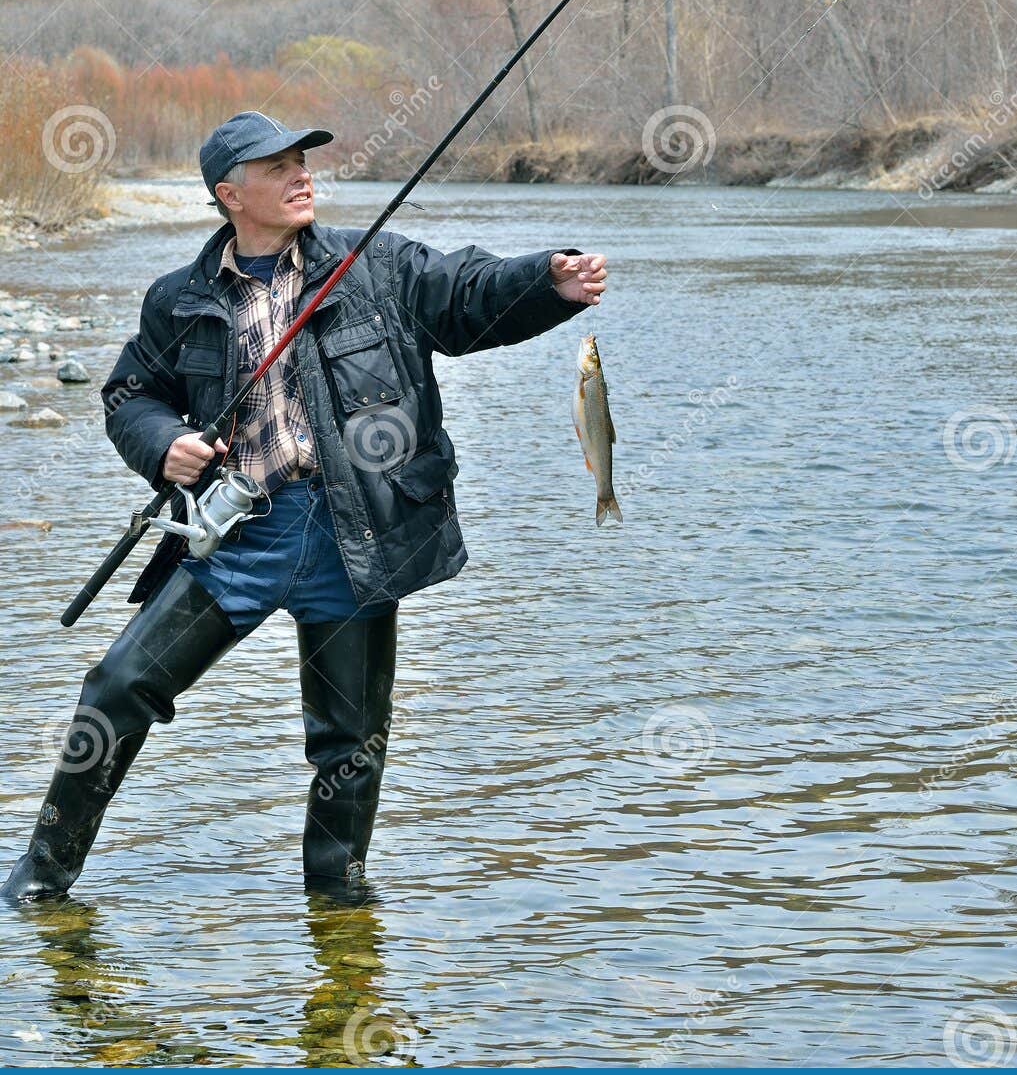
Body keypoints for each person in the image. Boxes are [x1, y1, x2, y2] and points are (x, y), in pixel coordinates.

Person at [3, 110, 606, 902]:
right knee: (117, 689)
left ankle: (339, 905)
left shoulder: (374, 264)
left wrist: (545, 280)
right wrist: (164, 445)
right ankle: (39, 887)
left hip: (353, 531)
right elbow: (129, 395)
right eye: (276, 166)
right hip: (238, 538)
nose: (300, 175)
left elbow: (465, 293)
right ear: (230, 194)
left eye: (301, 160)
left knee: (348, 743)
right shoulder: (177, 300)